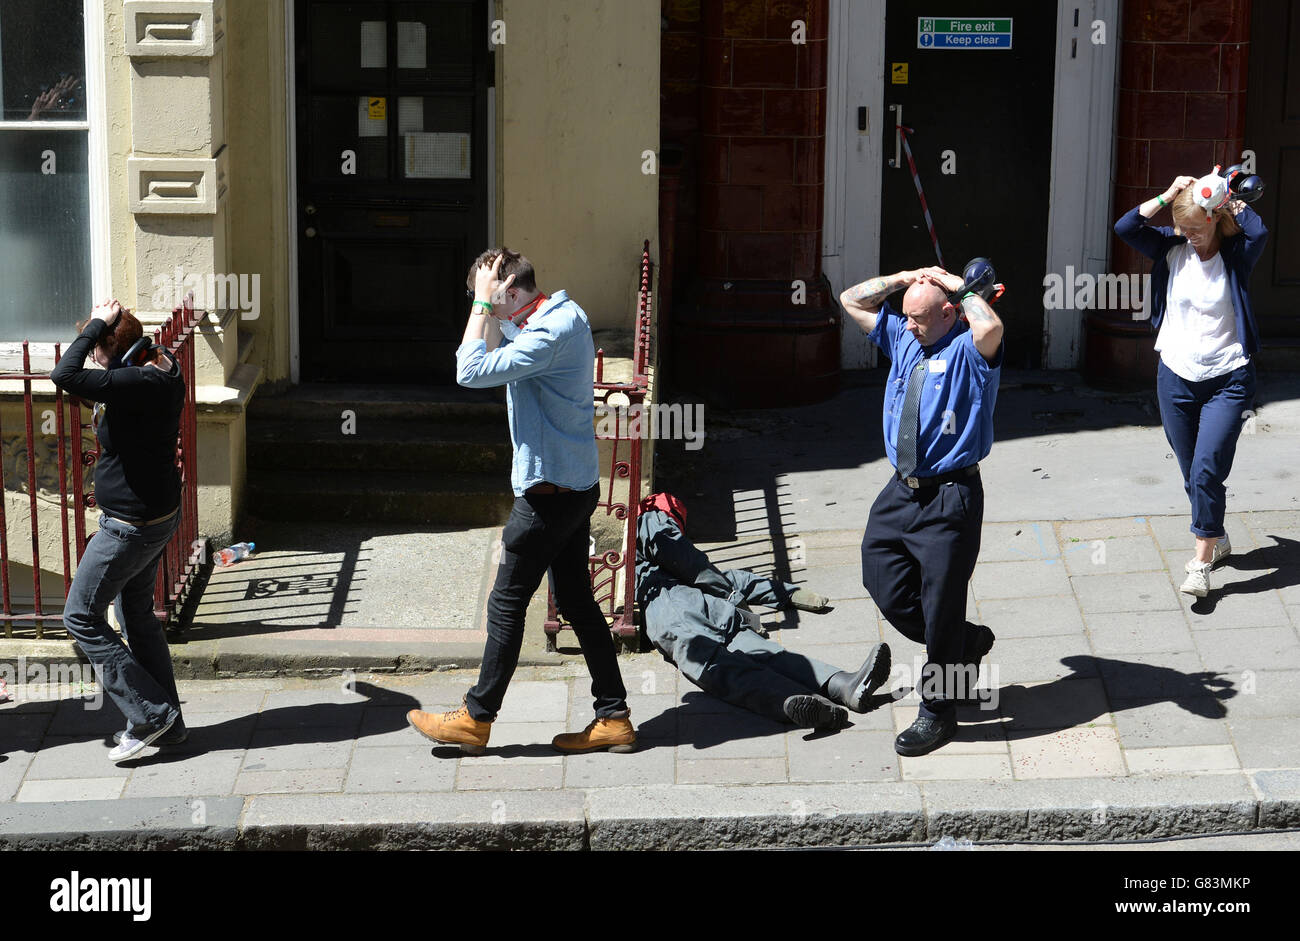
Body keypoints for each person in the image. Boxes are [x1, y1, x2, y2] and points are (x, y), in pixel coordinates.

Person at [406, 249, 635, 754]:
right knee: (576, 601)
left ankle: (476, 718)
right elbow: (494, 348)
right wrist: (491, 307)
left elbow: (469, 371)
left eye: (485, 295)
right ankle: (614, 717)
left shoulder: (549, 333)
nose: (479, 304)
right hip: (570, 486)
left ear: (510, 291)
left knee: (507, 603)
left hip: (549, 496)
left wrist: (481, 306)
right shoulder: (550, 317)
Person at [839, 266, 1003, 756]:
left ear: (949, 313)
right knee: (881, 577)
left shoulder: (969, 351)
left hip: (950, 496)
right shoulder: (905, 338)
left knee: (942, 608)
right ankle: (964, 643)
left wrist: (959, 288)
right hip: (901, 490)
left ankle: (937, 712)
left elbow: (990, 327)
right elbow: (851, 300)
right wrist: (905, 277)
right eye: (905, 317)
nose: (908, 325)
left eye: (919, 318)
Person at [1114, 174, 1268, 597]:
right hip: (1176, 376)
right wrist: (1169, 195)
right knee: (1192, 472)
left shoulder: (1237, 253)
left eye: (1196, 228)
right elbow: (1126, 227)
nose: (1189, 236)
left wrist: (1225, 194)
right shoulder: (1170, 248)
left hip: (1229, 378)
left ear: (1215, 219)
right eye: (1183, 228)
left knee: (1206, 469)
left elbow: (1259, 231)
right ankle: (1216, 535)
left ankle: (1200, 564)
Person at [49, 300, 186, 763]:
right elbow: (89, 381)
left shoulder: (137, 382)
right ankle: (170, 725)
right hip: (155, 516)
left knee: (80, 617)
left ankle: (149, 715)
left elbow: (64, 375)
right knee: (136, 613)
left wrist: (93, 326)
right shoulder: (158, 364)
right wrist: (102, 332)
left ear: (111, 343)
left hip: (129, 527)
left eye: (95, 347)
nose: (90, 354)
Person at [637, 493, 891, 730]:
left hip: (684, 615)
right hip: (702, 613)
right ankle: (836, 689)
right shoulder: (649, 518)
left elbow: (720, 576)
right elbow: (700, 567)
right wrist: (762, 595)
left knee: (727, 670)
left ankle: (819, 695)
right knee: (766, 657)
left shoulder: (652, 544)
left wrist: (787, 593)